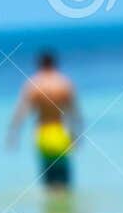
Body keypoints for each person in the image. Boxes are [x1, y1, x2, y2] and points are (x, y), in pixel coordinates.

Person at [6, 51, 82, 192]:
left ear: (39, 64)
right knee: (65, 183)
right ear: (55, 63)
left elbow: (20, 113)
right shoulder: (64, 83)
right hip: (60, 133)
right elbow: (74, 114)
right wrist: (76, 135)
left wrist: (13, 135)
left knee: (49, 184)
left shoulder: (33, 84)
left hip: (43, 134)